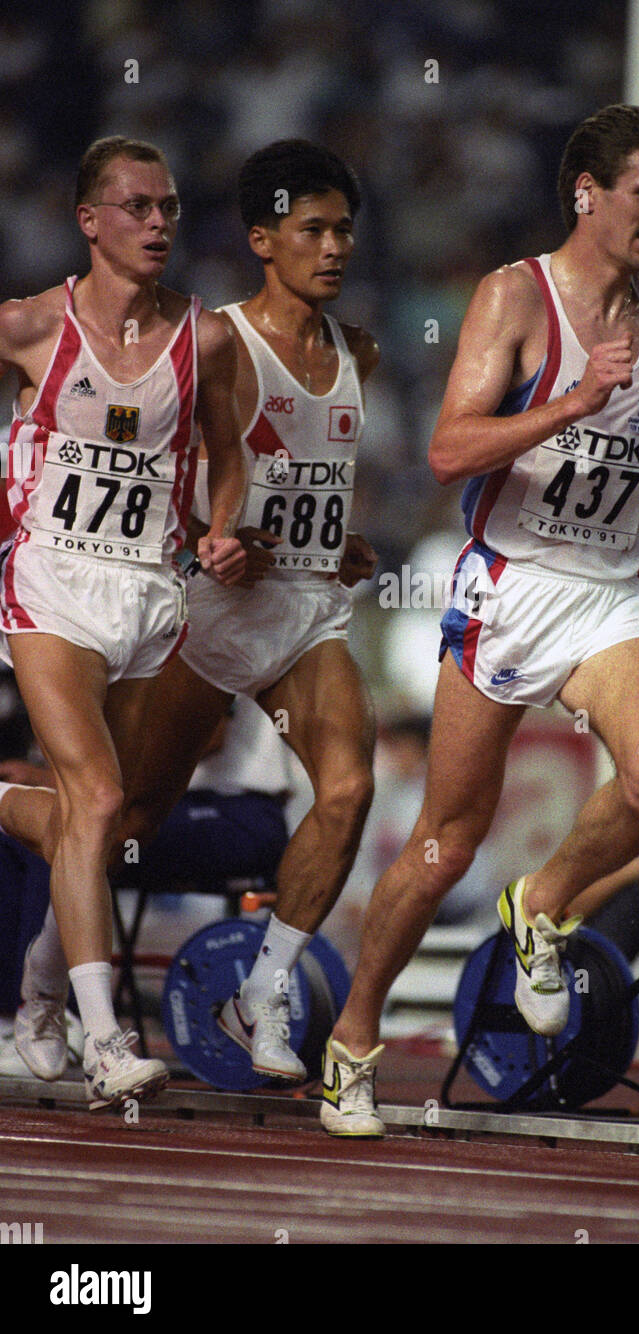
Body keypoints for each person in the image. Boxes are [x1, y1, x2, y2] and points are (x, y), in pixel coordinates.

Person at [319, 104, 639, 1137]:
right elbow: (448, 452)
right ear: (586, 191)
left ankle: (539, 905)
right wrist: (569, 402)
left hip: (606, 586)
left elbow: (633, 440)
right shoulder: (513, 296)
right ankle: (352, 1041)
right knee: (445, 839)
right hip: (509, 584)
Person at [3, 139, 379, 1088]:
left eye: (345, 230)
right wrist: (223, 536)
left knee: (348, 790)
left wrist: (330, 541)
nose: (335, 247)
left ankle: (266, 988)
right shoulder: (218, 336)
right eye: (314, 229)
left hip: (284, 608)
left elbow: (275, 474)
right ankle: (47, 997)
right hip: (193, 611)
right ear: (263, 239)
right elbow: (222, 466)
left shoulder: (348, 351)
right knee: (120, 815)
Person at [0, 135, 247, 1109]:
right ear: (88, 220)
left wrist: (225, 523)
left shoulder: (207, 337)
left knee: (110, 815)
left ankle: (37, 996)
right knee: (96, 799)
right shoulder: (28, 325)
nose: (158, 224)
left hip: (150, 589)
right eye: (137, 207)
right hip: (50, 580)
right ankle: (108, 1043)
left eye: (170, 207)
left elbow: (228, 451)